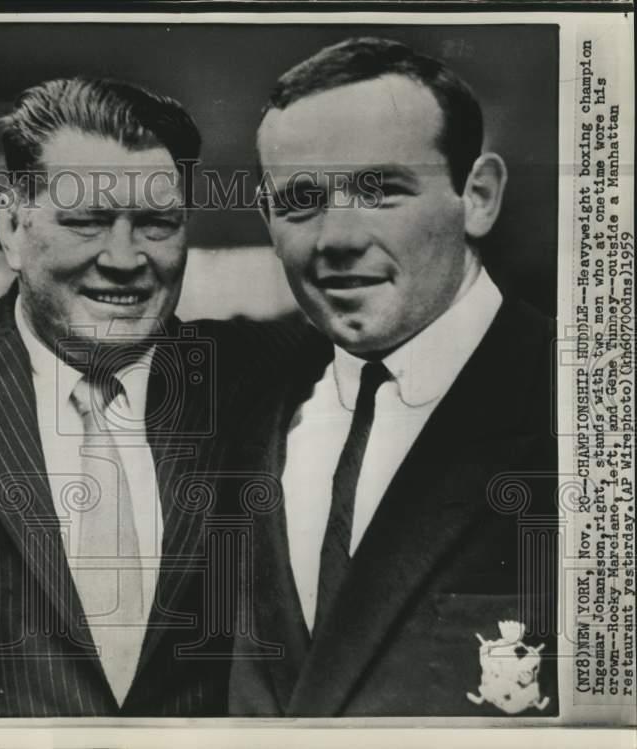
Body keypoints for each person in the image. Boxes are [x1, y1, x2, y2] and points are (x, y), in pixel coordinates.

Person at [229, 37, 559, 717]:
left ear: (479, 196)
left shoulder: (589, 407)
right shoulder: (249, 406)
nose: (337, 238)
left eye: (380, 190)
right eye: (300, 201)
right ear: (267, 219)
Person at [0, 78, 247, 716]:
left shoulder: (251, 387)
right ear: (12, 226)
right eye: (87, 221)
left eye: (155, 223)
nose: (124, 259)